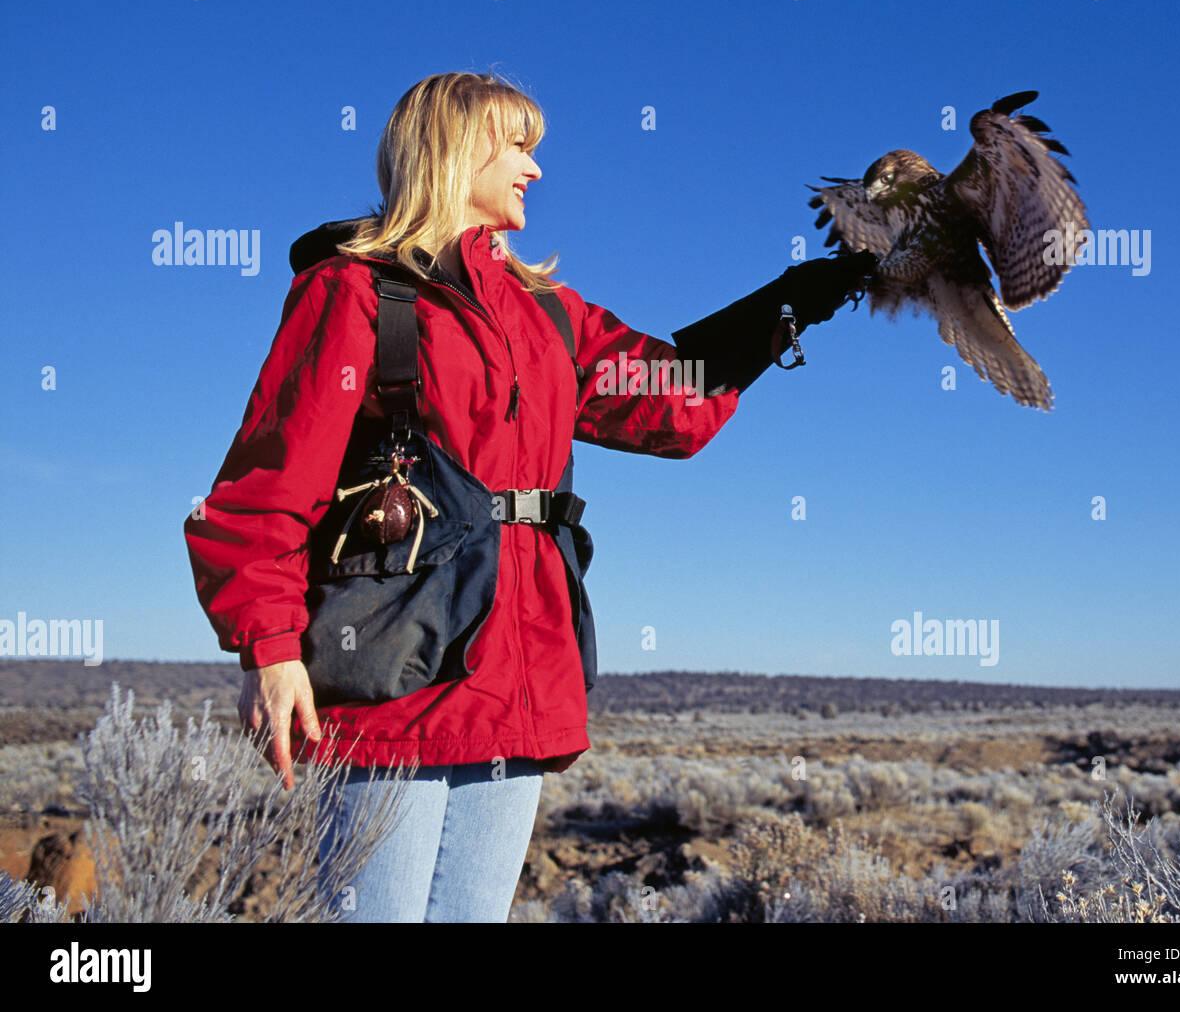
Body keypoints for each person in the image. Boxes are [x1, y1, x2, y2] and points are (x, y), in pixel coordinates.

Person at [182, 70, 876, 922]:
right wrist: (269, 648)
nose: (535, 170)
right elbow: (266, 484)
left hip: (520, 677)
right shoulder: (354, 293)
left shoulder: (548, 314)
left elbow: (674, 399)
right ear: (449, 148)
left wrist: (798, 298)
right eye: (516, 145)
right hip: (395, 673)